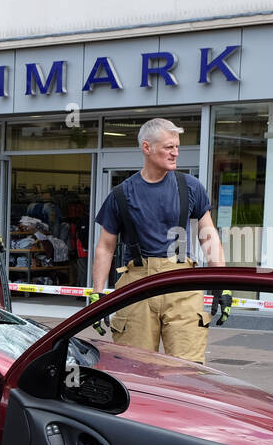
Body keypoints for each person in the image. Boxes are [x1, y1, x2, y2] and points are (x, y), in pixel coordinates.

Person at [91, 118, 224, 363]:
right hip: (136, 285)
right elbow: (105, 246)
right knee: (134, 367)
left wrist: (221, 284)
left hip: (182, 282)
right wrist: (97, 293)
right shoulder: (121, 194)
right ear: (147, 147)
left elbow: (208, 235)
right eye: (168, 147)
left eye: (177, 147)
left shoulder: (191, 187)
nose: (175, 153)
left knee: (188, 370)